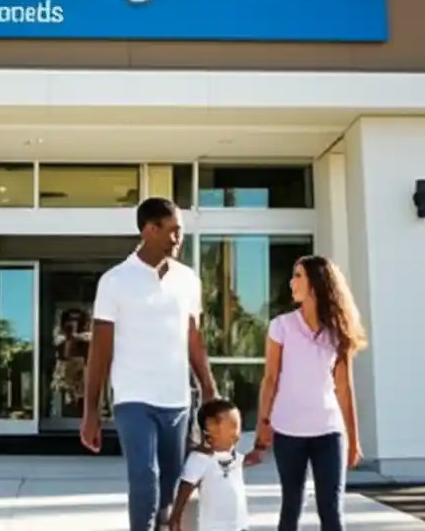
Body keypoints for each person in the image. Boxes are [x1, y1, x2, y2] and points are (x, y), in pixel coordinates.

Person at [81, 196, 218, 531]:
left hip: (177, 399)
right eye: (171, 231)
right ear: (148, 229)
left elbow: (193, 339)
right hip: (132, 397)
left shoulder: (188, 280)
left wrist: (209, 388)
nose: (177, 238)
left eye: (180, 231)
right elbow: (99, 351)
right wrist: (90, 412)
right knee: (144, 475)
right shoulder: (115, 281)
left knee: (171, 485)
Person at [252, 255, 367, 531]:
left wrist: (354, 441)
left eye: (299, 276)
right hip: (288, 431)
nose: (292, 282)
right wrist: (262, 426)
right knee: (291, 506)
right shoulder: (281, 326)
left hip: (328, 432)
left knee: (331, 510)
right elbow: (270, 379)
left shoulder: (337, 332)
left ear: (315, 284)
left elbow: (344, 387)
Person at [168, 398, 257, 531]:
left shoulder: (235, 455)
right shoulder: (200, 459)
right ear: (211, 427)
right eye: (232, 426)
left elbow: (256, 450)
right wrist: (176, 518)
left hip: (240, 526)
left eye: (238, 426)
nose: (237, 432)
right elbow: (185, 489)